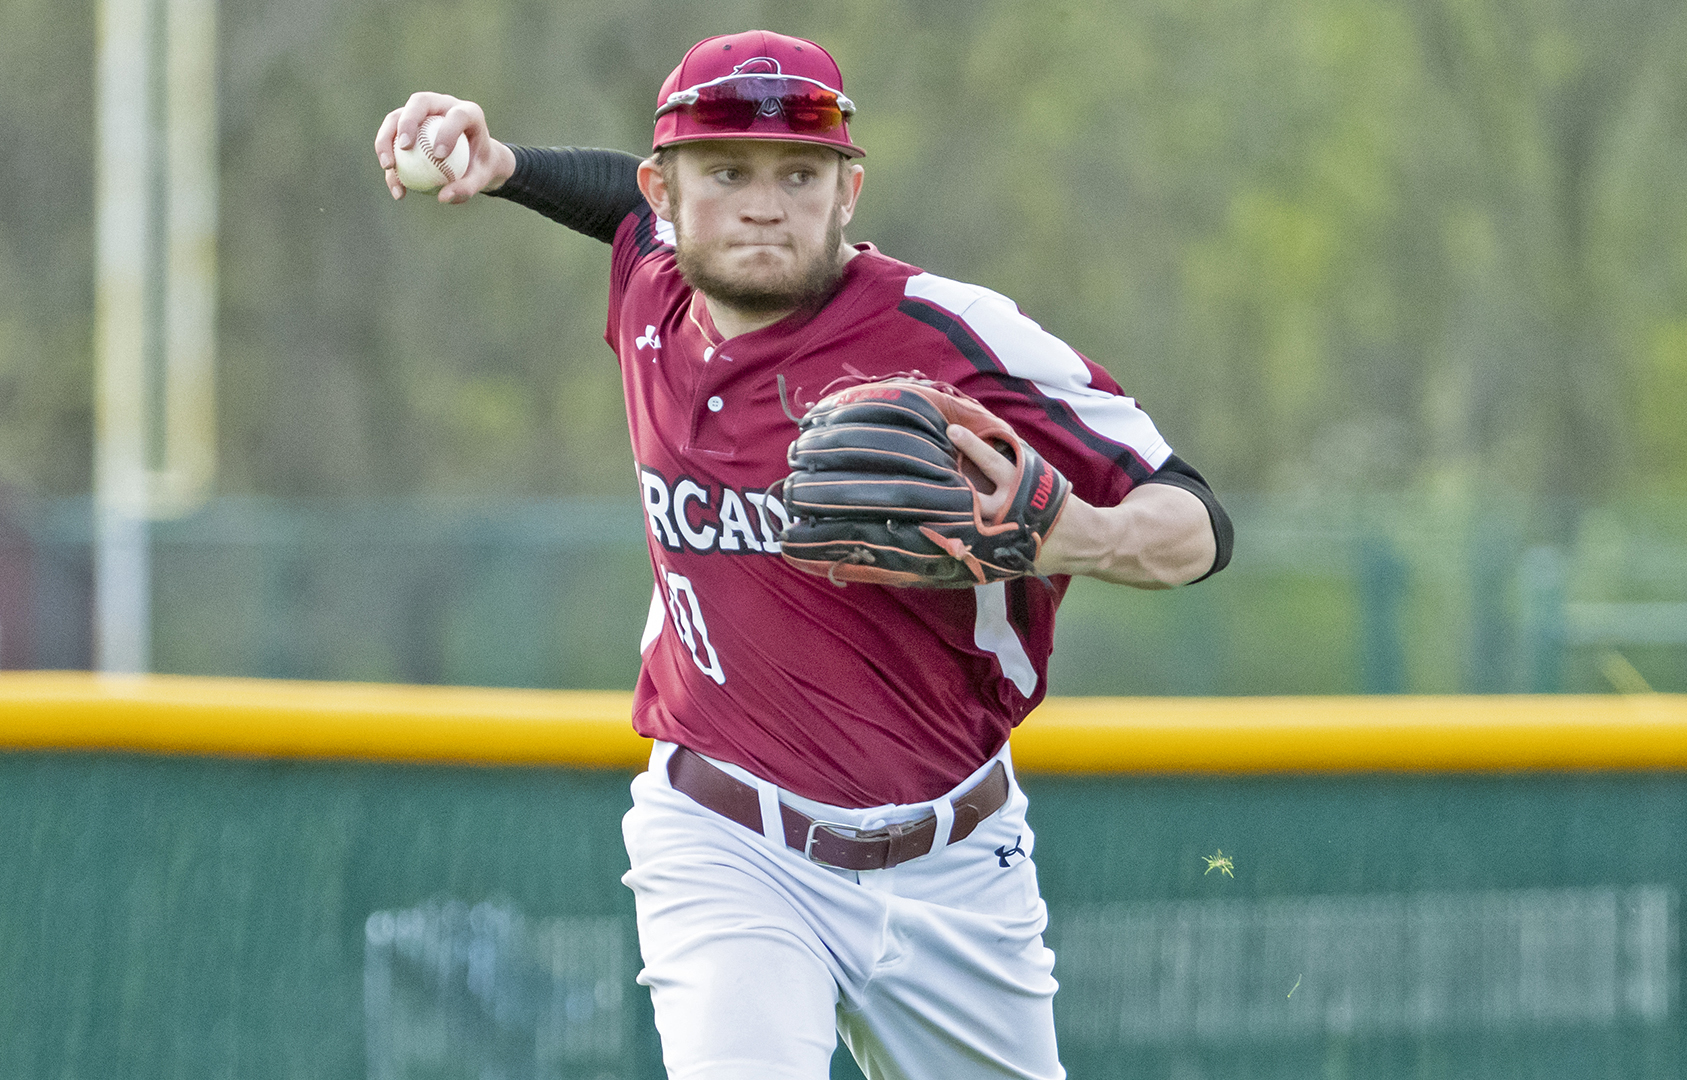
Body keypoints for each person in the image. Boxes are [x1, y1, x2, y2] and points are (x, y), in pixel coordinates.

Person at [374, 29, 1233, 1080]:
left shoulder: (955, 334)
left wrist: (1078, 535)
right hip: (725, 841)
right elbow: (615, 207)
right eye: (725, 171)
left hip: (956, 864)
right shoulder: (653, 292)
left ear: (849, 191)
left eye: (800, 173)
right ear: (667, 191)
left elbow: (1196, 522)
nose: (764, 203)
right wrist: (505, 166)